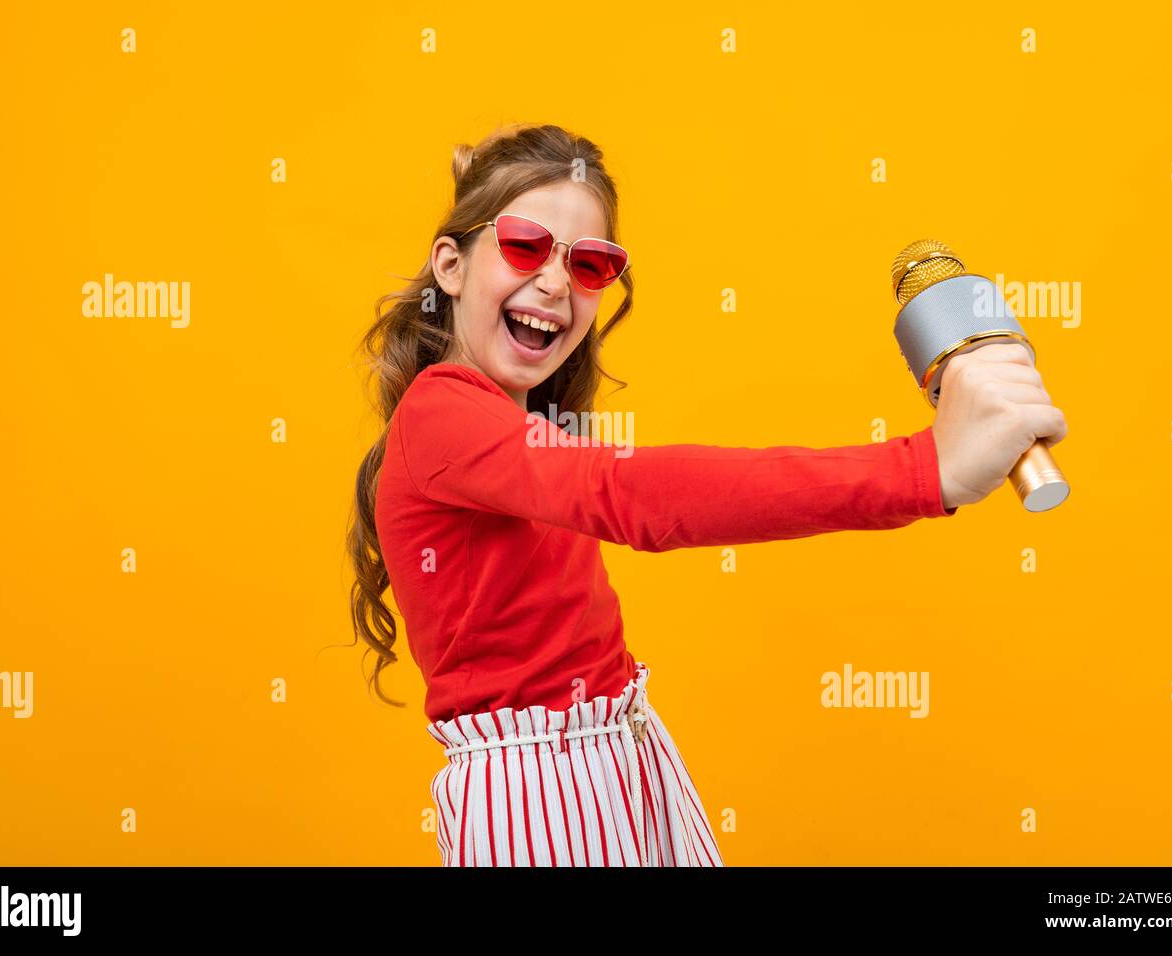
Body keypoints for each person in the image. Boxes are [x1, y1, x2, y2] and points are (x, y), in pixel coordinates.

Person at [345, 123, 1067, 867]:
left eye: (589, 263)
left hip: (624, 761)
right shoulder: (439, 412)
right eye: (525, 245)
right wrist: (925, 468)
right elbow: (631, 495)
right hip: (540, 800)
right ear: (451, 266)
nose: (558, 283)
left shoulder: (512, 428)